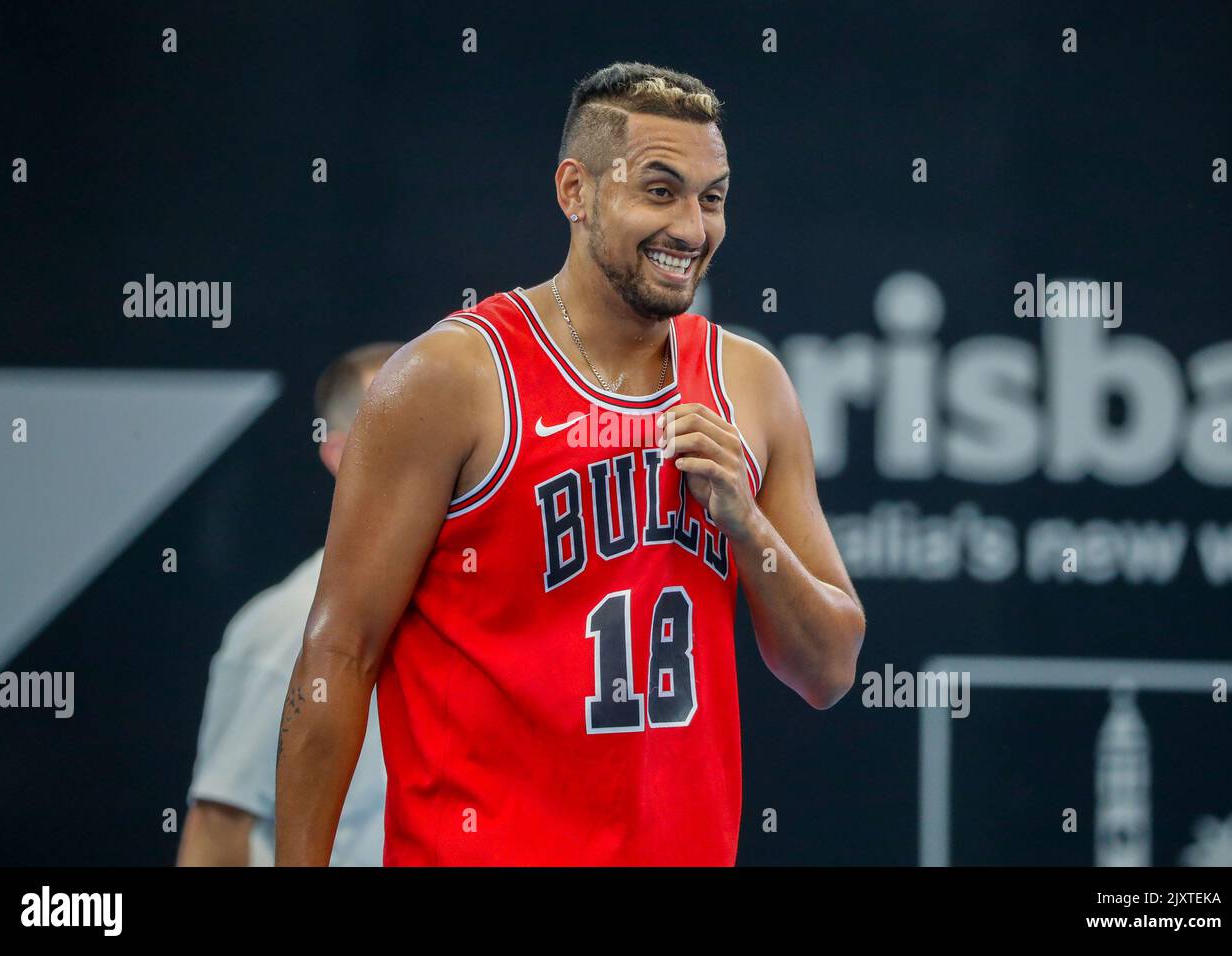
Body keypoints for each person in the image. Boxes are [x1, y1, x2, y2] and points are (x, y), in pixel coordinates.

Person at [276, 62, 866, 866]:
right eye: (660, 191)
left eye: (712, 198)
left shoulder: (750, 383)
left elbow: (829, 670)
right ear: (575, 191)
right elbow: (339, 652)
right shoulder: (453, 376)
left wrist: (747, 523)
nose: (692, 228)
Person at [178, 342, 401, 866]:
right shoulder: (284, 626)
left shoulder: (491, 611)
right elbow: (216, 834)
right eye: (404, 434)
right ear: (341, 455)